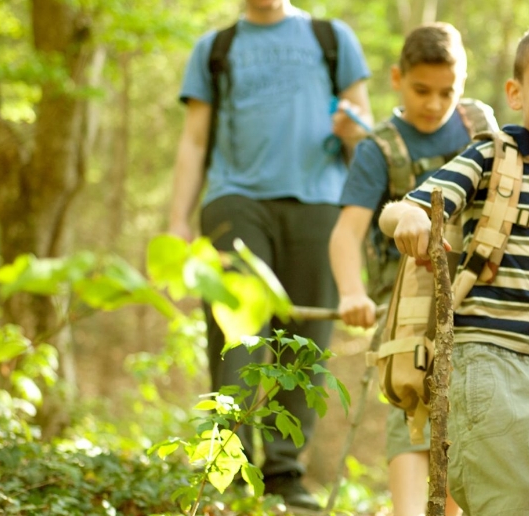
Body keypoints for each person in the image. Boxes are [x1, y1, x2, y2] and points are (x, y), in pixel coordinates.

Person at [377, 22, 529, 515]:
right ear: (516, 93)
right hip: (489, 357)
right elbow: (401, 208)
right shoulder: (492, 155)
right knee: (511, 500)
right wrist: (411, 219)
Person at [167, 0, 372, 510]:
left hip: (321, 203)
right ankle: (224, 471)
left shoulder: (332, 38)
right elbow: (194, 142)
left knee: (305, 345)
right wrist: (176, 220)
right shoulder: (214, 49)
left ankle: (284, 475)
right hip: (235, 199)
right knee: (237, 335)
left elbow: (364, 127)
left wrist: (354, 128)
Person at [328, 22, 489, 516]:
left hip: (476, 294)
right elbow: (346, 232)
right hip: (405, 307)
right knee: (411, 405)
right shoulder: (380, 148)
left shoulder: (479, 126)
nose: (434, 103)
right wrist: (352, 292)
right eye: (422, 90)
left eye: (447, 91)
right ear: (398, 79)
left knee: (463, 417)